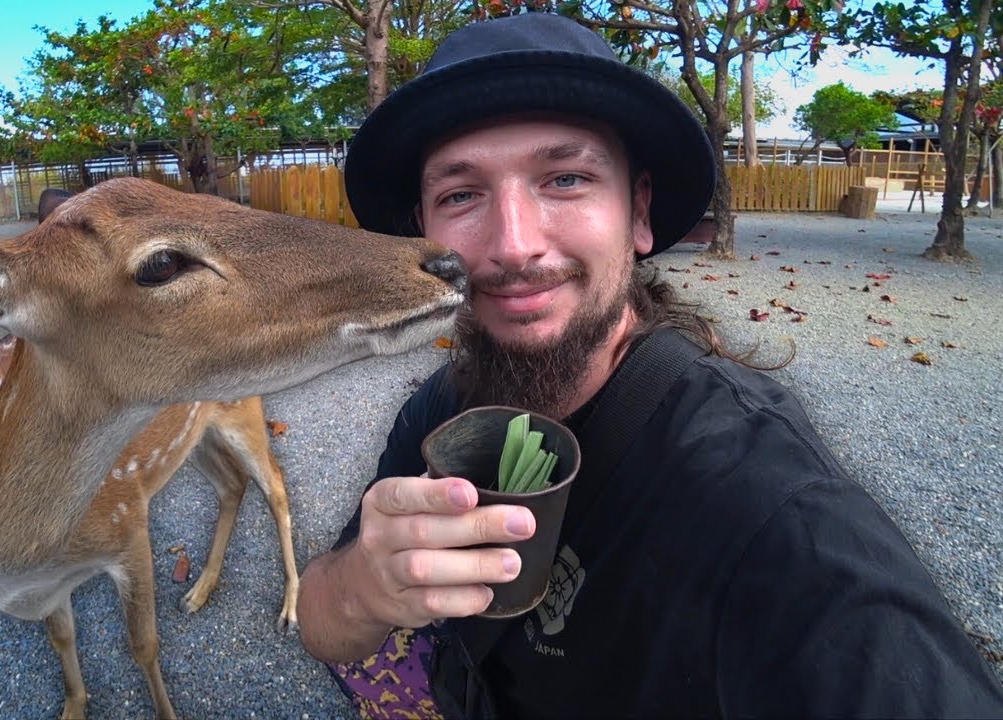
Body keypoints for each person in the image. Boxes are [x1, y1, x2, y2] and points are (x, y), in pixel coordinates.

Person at [296, 12, 1003, 719]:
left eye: (565, 178)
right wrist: (363, 586)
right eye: (460, 194)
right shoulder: (449, 402)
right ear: (424, 234)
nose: (512, 245)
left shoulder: (764, 499)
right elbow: (323, 626)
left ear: (638, 213)